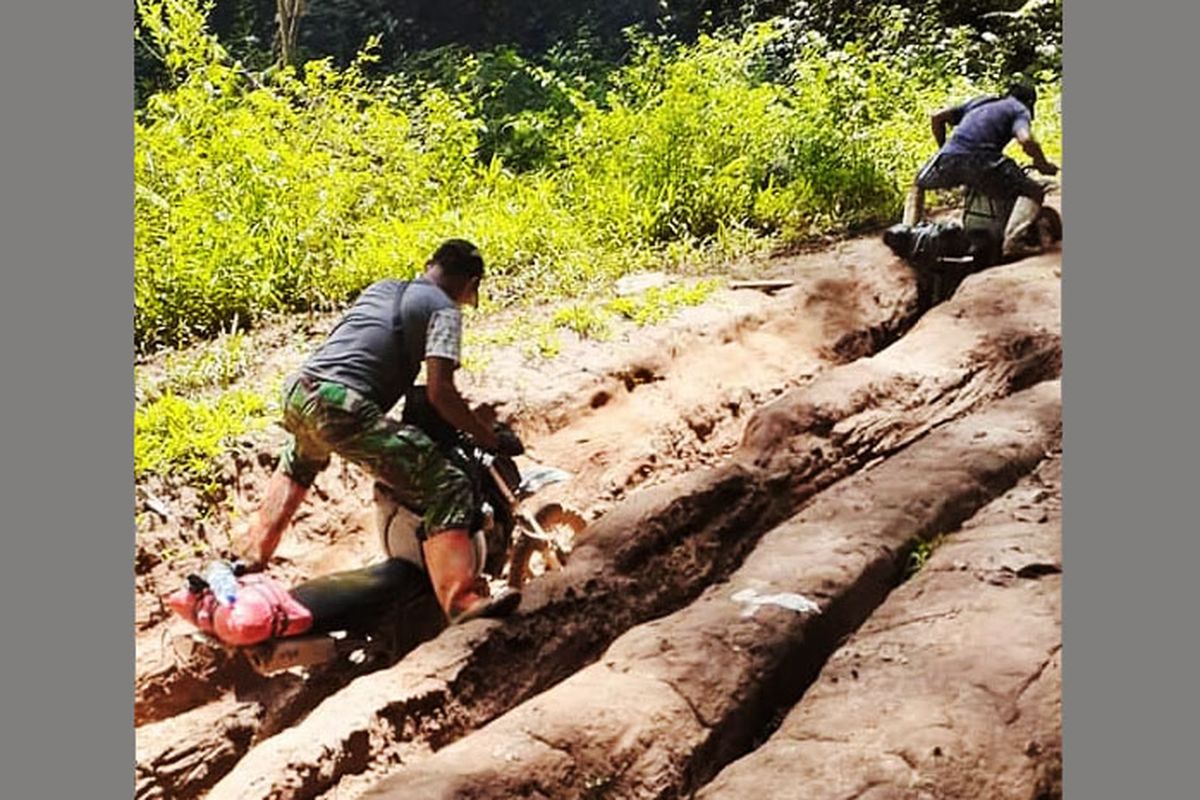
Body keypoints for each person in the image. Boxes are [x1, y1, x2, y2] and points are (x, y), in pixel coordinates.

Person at [232, 239, 523, 625]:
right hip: (344, 407)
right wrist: (488, 437)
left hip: (301, 391)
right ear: (471, 285)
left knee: (299, 465)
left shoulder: (381, 289)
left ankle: (250, 558)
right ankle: (462, 600)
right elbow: (441, 393)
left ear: (428, 264)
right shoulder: (445, 312)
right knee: (448, 484)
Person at [902, 81, 1059, 255]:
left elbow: (937, 117)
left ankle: (906, 233)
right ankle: (1013, 241)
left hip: (948, 159)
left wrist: (945, 149)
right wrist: (1042, 164)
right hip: (983, 163)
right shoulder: (1018, 109)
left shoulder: (981, 102)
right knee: (1034, 190)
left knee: (919, 183)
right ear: (1030, 102)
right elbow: (1026, 140)